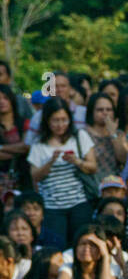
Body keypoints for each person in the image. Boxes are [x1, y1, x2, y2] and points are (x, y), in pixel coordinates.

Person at [26, 97, 97, 249]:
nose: (60, 125)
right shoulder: (39, 144)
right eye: (55, 120)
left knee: (82, 245)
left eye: (64, 120)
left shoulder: (79, 136)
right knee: (55, 248)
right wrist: (50, 162)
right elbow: (35, 176)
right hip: (52, 207)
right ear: (47, 121)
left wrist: (76, 161)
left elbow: (93, 166)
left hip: (79, 203)